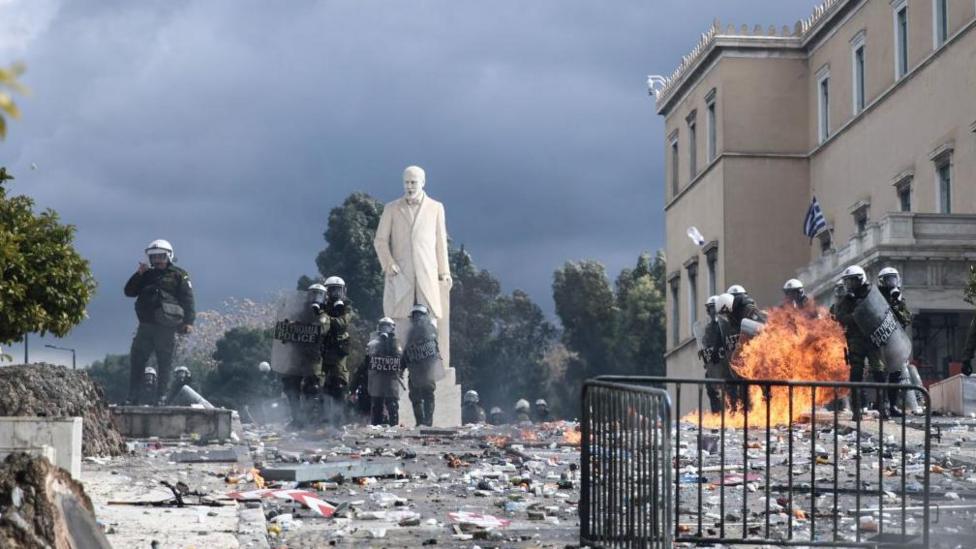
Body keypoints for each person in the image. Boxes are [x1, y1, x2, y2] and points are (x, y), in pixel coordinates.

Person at [124, 239, 195, 405]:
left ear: (169, 256)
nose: (157, 260)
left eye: (161, 256)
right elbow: (129, 292)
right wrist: (138, 274)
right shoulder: (146, 274)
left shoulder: (179, 274)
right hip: (146, 325)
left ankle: (161, 397)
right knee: (137, 359)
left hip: (167, 326)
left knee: (165, 362)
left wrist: (189, 322)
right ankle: (132, 397)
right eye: (154, 257)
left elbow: (188, 299)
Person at [833, 265, 886, 420]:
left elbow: (882, 312)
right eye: (847, 281)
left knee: (879, 373)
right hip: (856, 340)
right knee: (856, 375)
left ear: (860, 279)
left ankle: (883, 408)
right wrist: (856, 316)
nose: (849, 285)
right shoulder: (846, 300)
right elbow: (841, 317)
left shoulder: (872, 294)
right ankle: (856, 411)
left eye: (852, 281)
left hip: (873, 338)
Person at [280, 283, 332, 429]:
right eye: (313, 294)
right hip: (296, 357)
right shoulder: (298, 313)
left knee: (312, 389)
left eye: (319, 295)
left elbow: (321, 329)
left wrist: (307, 321)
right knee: (290, 386)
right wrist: (289, 327)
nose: (315, 298)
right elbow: (286, 332)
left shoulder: (324, 316)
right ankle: (297, 419)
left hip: (313, 359)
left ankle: (311, 420)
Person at [877, 267, 920, 415]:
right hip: (879, 342)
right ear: (882, 281)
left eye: (893, 279)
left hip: (894, 342)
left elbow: (906, 319)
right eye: (888, 279)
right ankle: (881, 405)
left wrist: (896, 304)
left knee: (895, 375)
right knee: (880, 375)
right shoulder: (876, 298)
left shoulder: (899, 299)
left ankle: (892, 406)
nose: (891, 282)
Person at [318, 276, 352, 426]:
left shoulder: (347, 307)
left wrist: (326, 318)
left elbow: (341, 323)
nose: (335, 294)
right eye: (332, 290)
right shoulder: (320, 306)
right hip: (322, 351)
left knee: (339, 385)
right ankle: (322, 420)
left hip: (338, 353)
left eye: (338, 290)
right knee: (319, 385)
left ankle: (339, 422)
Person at [403, 304, 444, 426]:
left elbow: (407, 352)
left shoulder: (425, 331)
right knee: (423, 397)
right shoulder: (429, 330)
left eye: (419, 316)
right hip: (421, 371)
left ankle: (423, 422)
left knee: (422, 397)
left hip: (422, 372)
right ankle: (424, 422)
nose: (417, 319)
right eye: (416, 317)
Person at [699, 295, 733, 413]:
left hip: (726, 363)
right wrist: (706, 354)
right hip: (715, 363)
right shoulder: (708, 328)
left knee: (730, 389)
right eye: (710, 308)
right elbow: (705, 343)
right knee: (710, 385)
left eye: (714, 307)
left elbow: (730, 342)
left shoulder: (726, 324)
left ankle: (733, 413)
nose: (712, 311)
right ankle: (717, 414)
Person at [366, 317, 403, 426]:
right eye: (383, 326)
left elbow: (399, 357)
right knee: (377, 404)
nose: (385, 328)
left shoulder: (396, 342)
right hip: (378, 377)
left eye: (387, 326)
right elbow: (368, 358)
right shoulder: (374, 342)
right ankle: (376, 426)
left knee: (392, 404)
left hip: (391, 377)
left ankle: (394, 427)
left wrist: (390, 344)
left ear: (392, 328)